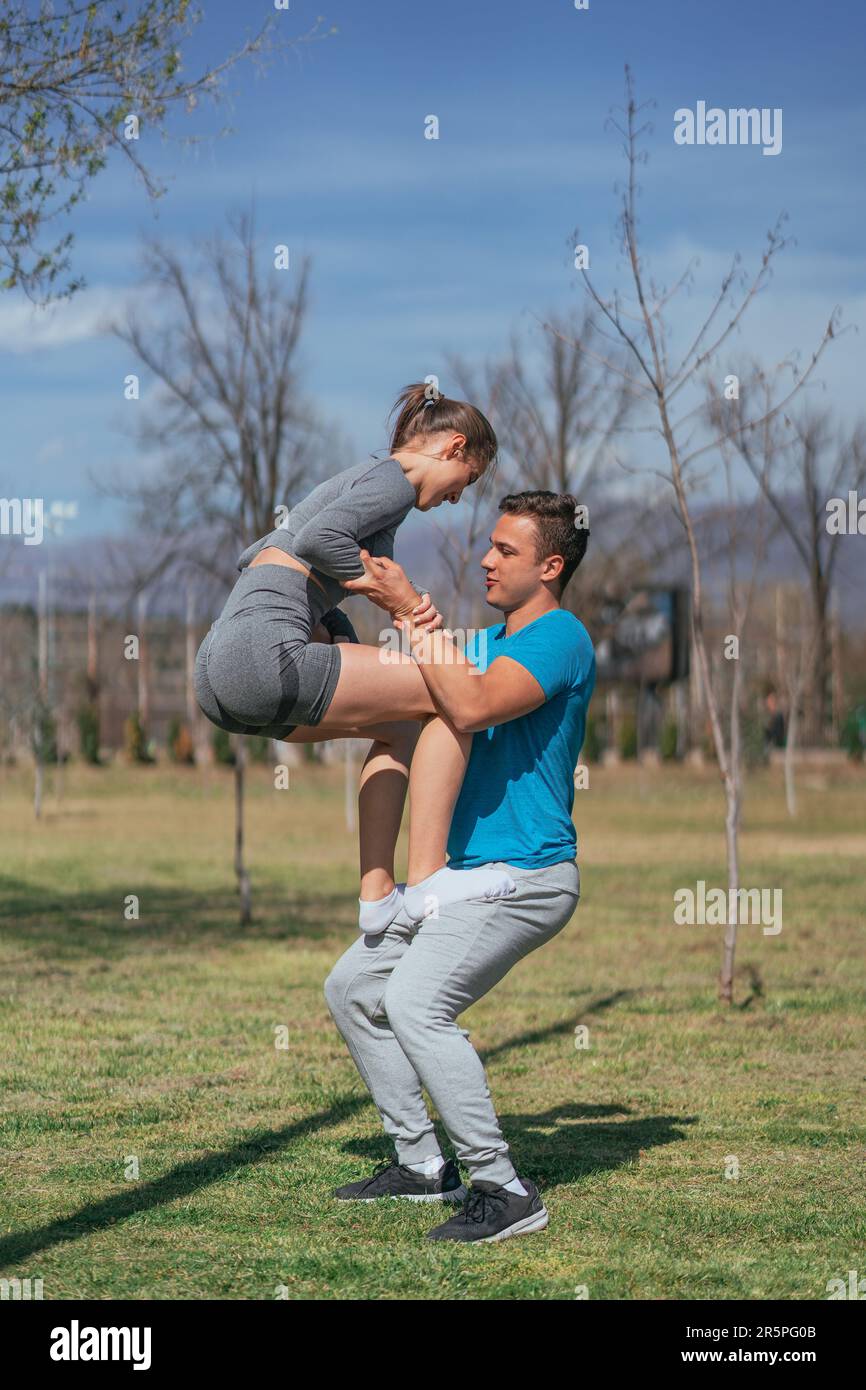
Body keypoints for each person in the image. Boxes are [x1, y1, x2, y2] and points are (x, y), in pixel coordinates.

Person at [323, 491, 596, 1243]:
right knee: (351, 988)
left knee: (414, 1004)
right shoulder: (484, 642)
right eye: (489, 545)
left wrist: (413, 606)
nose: (485, 558)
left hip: (526, 877)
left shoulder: (560, 638)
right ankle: (420, 1164)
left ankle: (503, 1187)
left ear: (550, 565)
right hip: (461, 880)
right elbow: (410, 690)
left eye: (505, 550)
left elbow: (470, 706)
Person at [194, 383, 516, 934]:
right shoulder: (395, 478)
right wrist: (396, 596)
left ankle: (378, 899)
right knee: (449, 692)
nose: (459, 497)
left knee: (400, 729)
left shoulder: (359, 486)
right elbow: (321, 541)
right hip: (263, 655)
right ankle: (431, 878)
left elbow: (264, 557)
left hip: (218, 673)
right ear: (454, 448)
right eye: (469, 480)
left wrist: (351, 621)